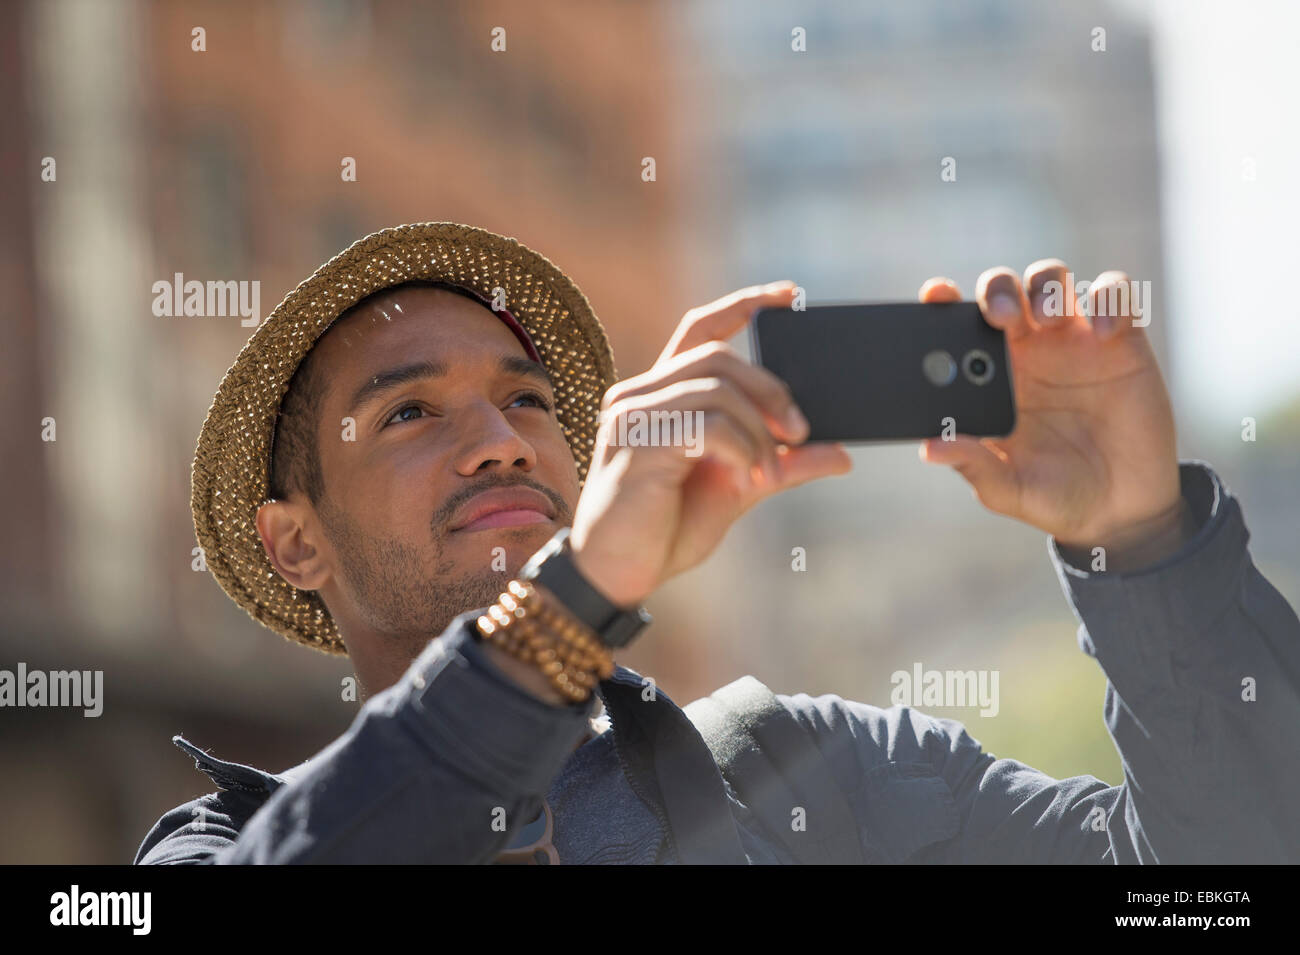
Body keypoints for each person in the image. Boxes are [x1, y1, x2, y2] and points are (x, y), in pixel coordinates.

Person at [134, 222, 1300, 864]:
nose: (499, 442)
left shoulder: (816, 776)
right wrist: (564, 606)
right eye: (409, 412)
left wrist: (1143, 544)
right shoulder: (214, 849)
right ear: (294, 545)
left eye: (528, 402)